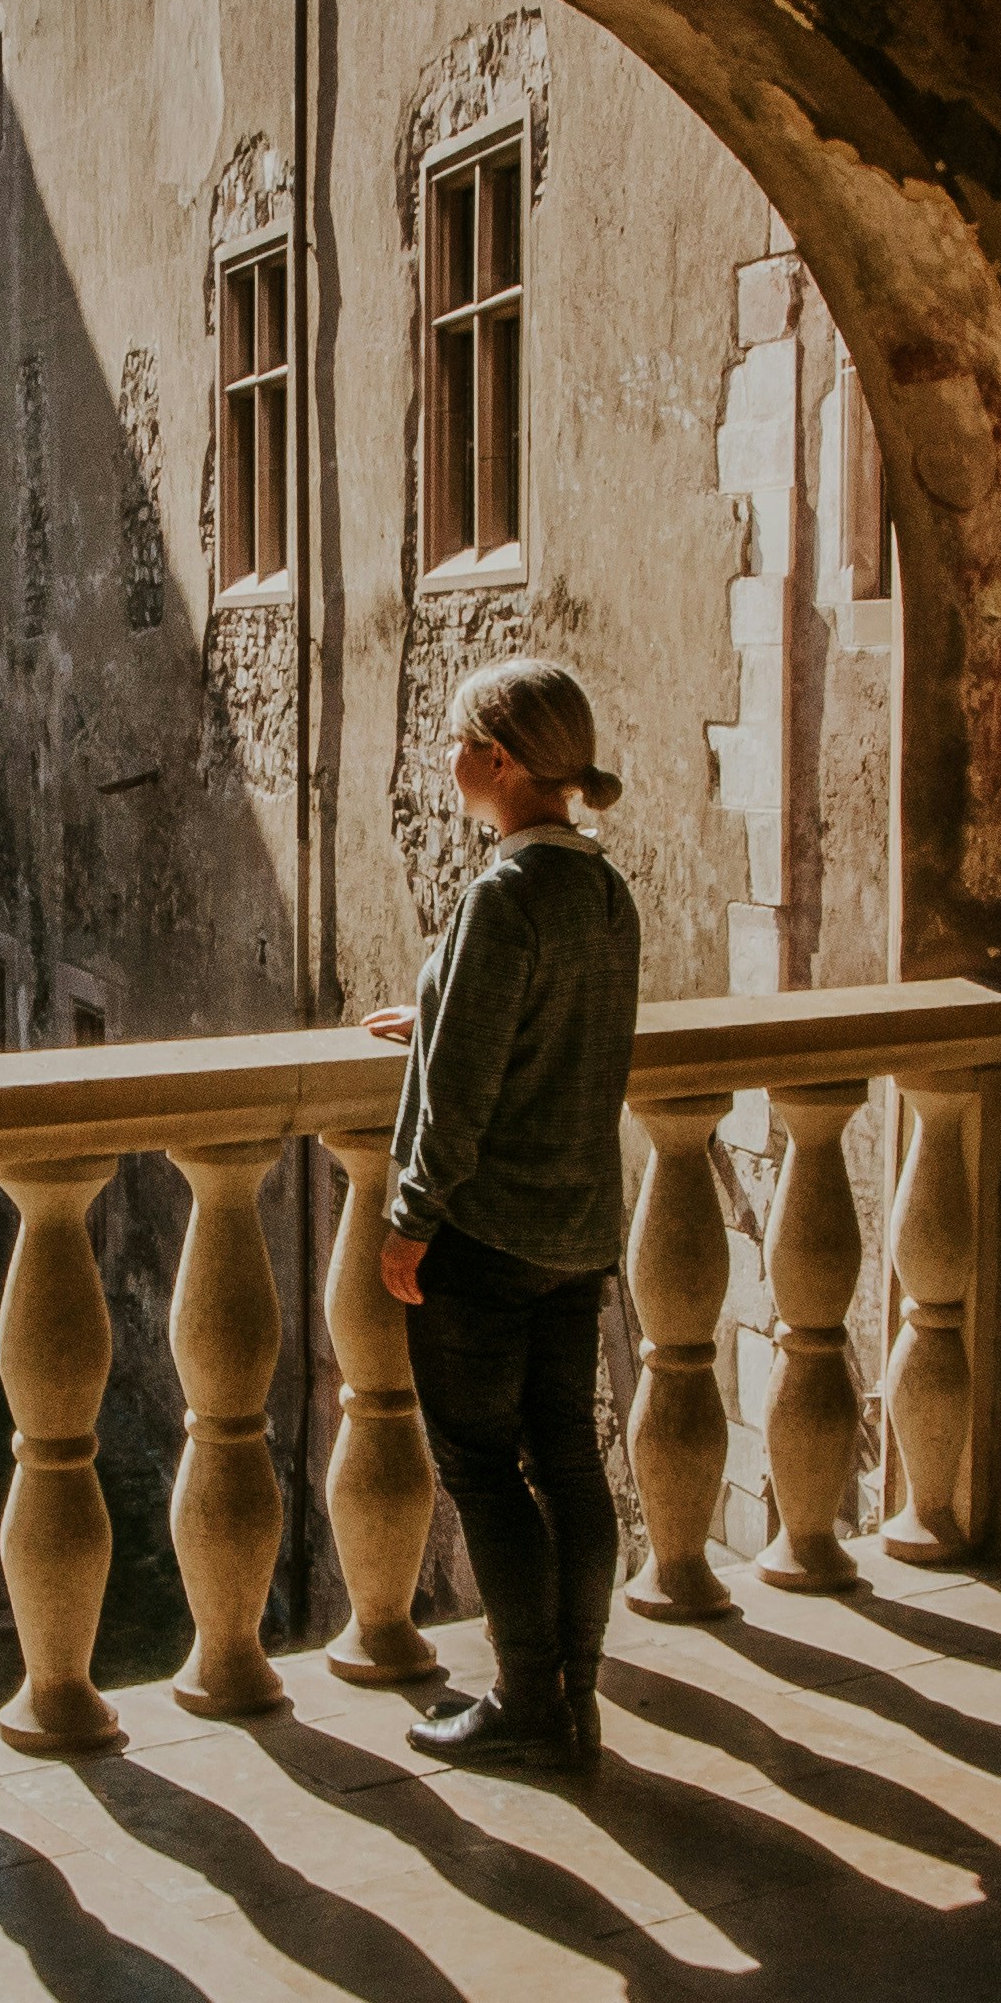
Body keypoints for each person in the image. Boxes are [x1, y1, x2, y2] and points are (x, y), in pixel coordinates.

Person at [364, 656, 642, 1773]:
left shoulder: (499, 898)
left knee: (481, 1469)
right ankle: (575, 1694)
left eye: (457, 740)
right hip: (576, 1233)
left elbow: (468, 1089)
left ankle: (526, 1700)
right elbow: (542, 1027)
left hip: (485, 1238)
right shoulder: (601, 890)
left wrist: (409, 1214)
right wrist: (431, 1008)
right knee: (568, 1460)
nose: (444, 757)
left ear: (500, 760)